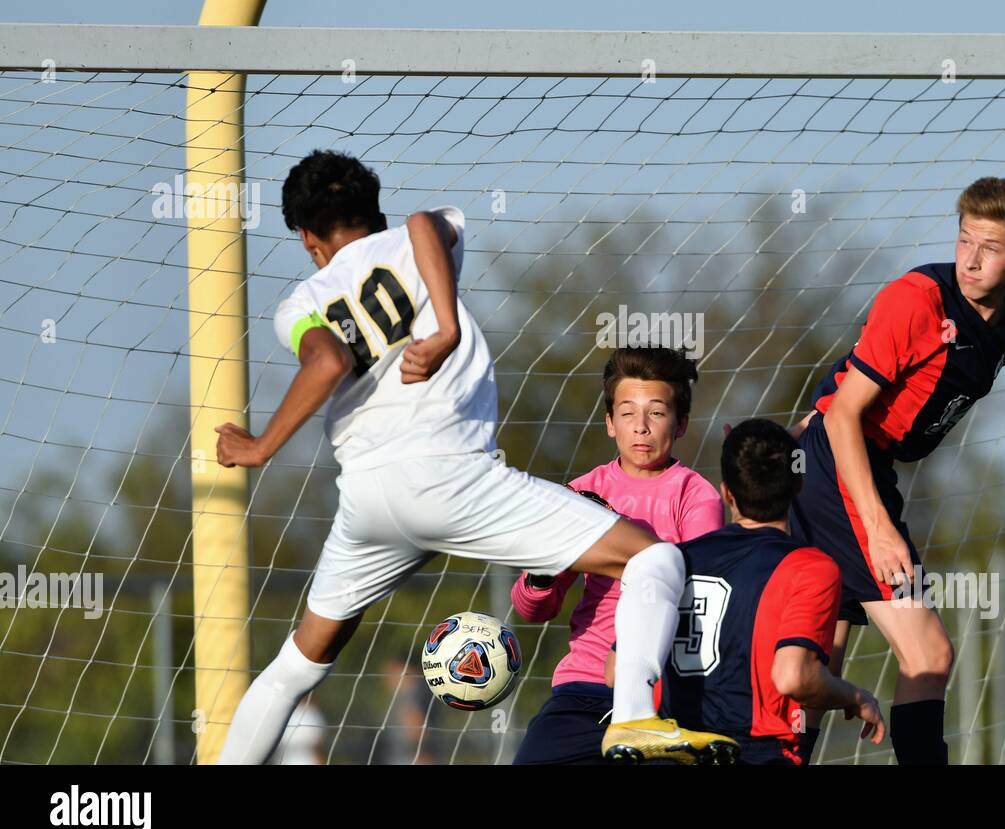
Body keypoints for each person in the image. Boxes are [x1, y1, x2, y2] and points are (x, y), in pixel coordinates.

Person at [213, 149, 734, 764]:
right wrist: (448, 330)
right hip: (453, 477)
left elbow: (325, 360)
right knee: (654, 559)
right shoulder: (420, 238)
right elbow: (426, 223)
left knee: (295, 667)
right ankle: (633, 719)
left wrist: (260, 447)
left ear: (306, 238)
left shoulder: (299, 304)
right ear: (373, 213)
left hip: (367, 499)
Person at [787, 176, 1005, 765]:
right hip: (840, 467)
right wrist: (877, 525)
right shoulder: (916, 299)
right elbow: (846, 412)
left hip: (855, 467)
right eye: (964, 240)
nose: (971, 260)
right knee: (928, 653)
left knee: (816, 666)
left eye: (991, 246)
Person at [610, 419, 885, 764]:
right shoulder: (811, 567)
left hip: (669, 751)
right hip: (753, 752)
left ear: (727, 492)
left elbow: (615, 670)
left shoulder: (671, 560)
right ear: (798, 485)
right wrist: (854, 697)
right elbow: (794, 676)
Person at [511, 346, 724, 764]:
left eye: (657, 413)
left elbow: (701, 596)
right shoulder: (581, 492)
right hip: (584, 688)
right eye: (627, 413)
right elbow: (533, 610)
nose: (641, 427)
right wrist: (542, 571)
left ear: (680, 423)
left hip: (664, 694)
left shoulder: (695, 494)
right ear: (610, 423)